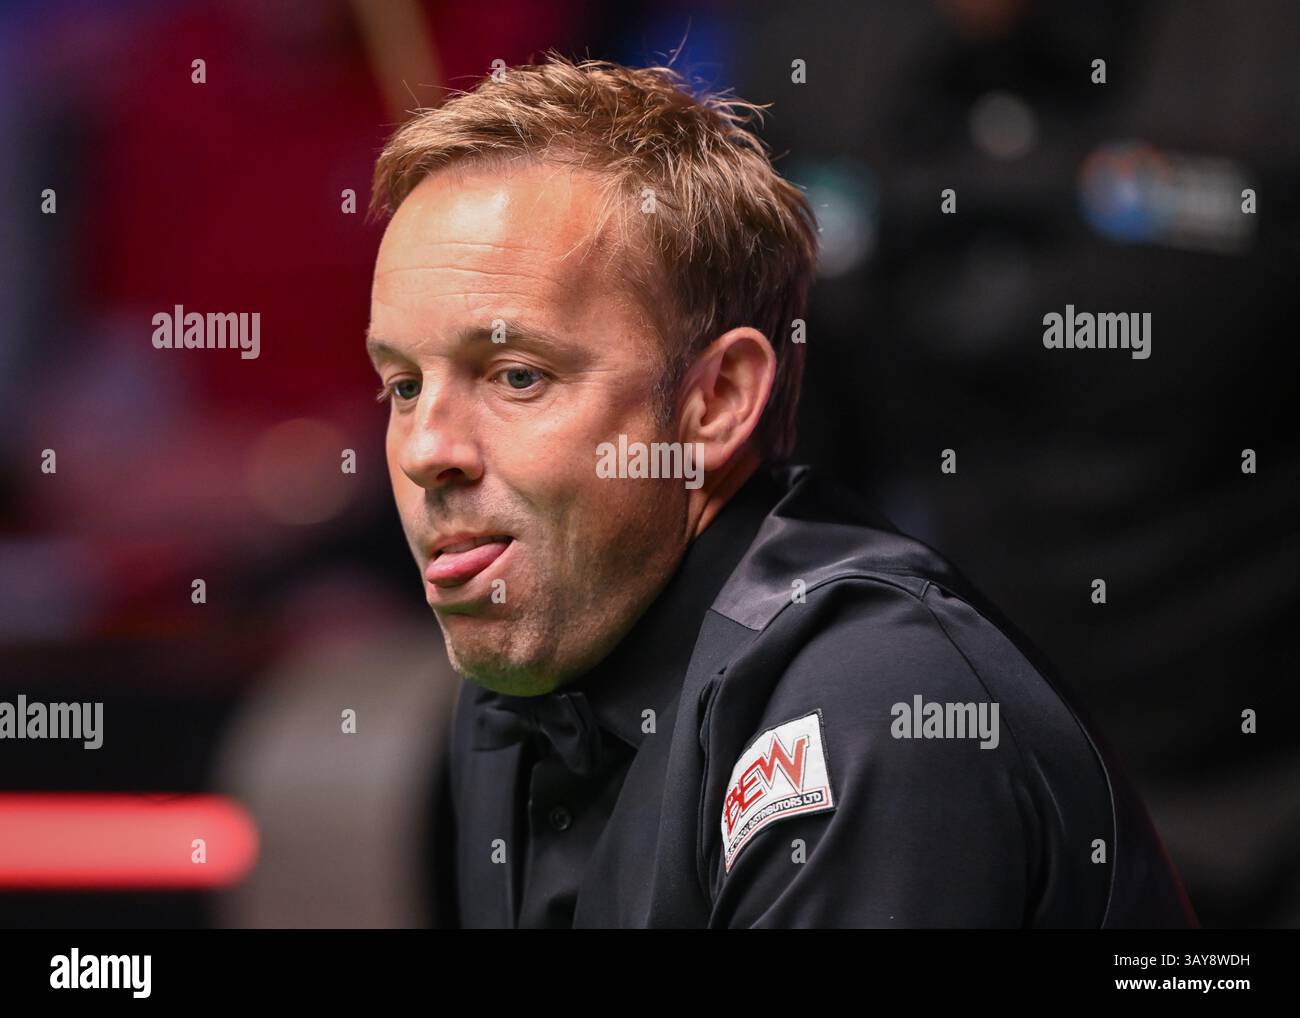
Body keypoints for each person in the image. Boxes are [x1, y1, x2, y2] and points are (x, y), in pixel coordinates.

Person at [365, 54, 1196, 928]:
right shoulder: (515, 686)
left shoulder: (873, 703)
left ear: (715, 403)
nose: (427, 450)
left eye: (518, 377)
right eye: (403, 385)